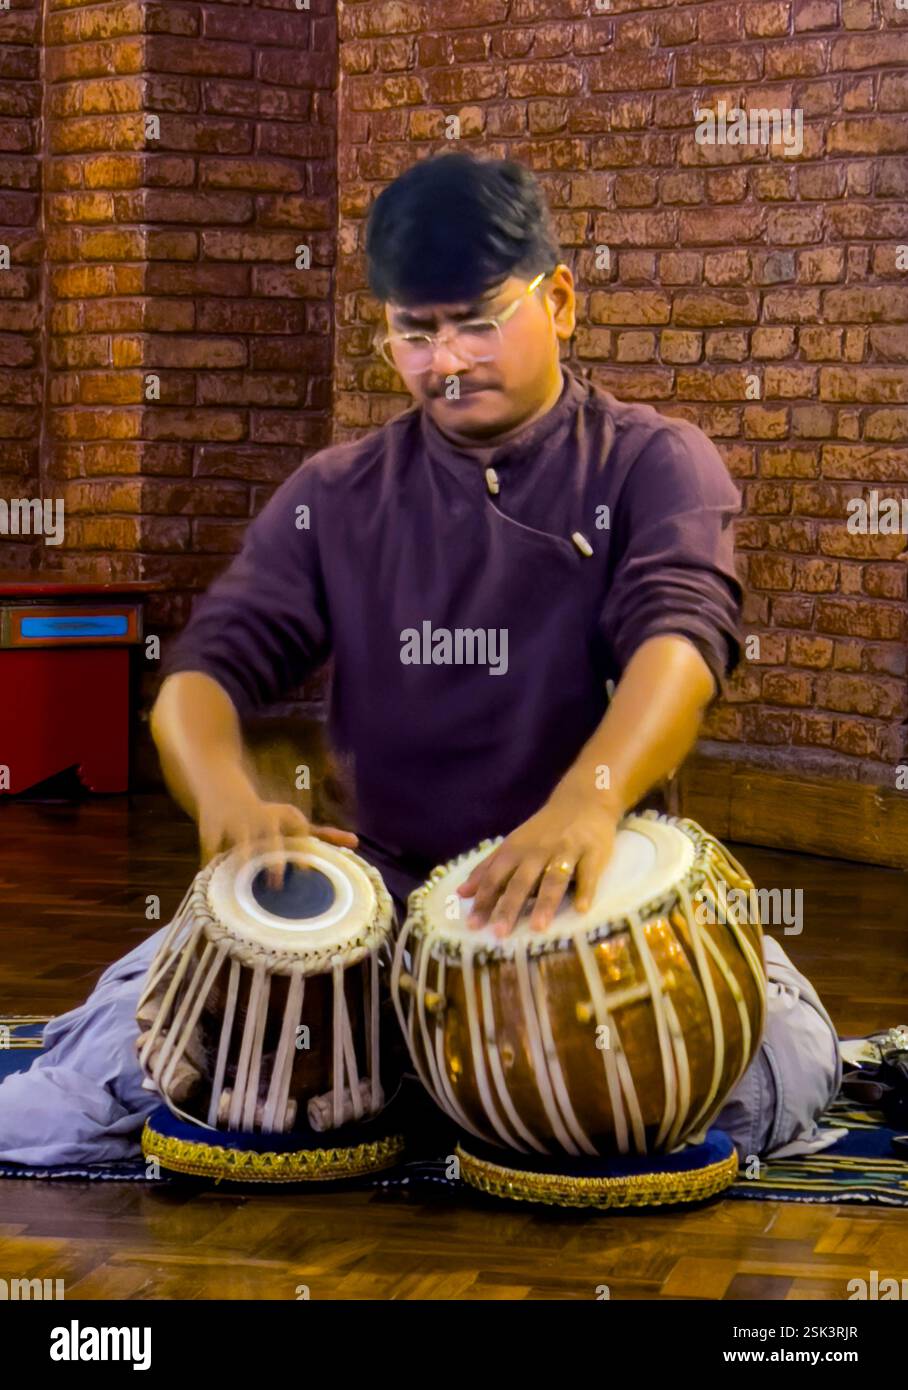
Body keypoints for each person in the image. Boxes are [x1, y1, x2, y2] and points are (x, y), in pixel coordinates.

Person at [0, 153, 840, 1167]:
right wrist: (228, 798)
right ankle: (423, 1080)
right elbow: (200, 677)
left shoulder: (648, 460)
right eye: (415, 332)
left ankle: (425, 1089)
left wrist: (587, 798)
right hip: (383, 904)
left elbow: (682, 639)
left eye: (478, 321)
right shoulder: (341, 492)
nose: (447, 360)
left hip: (597, 904)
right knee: (87, 1091)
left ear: (559, 301)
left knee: (768, 1074)